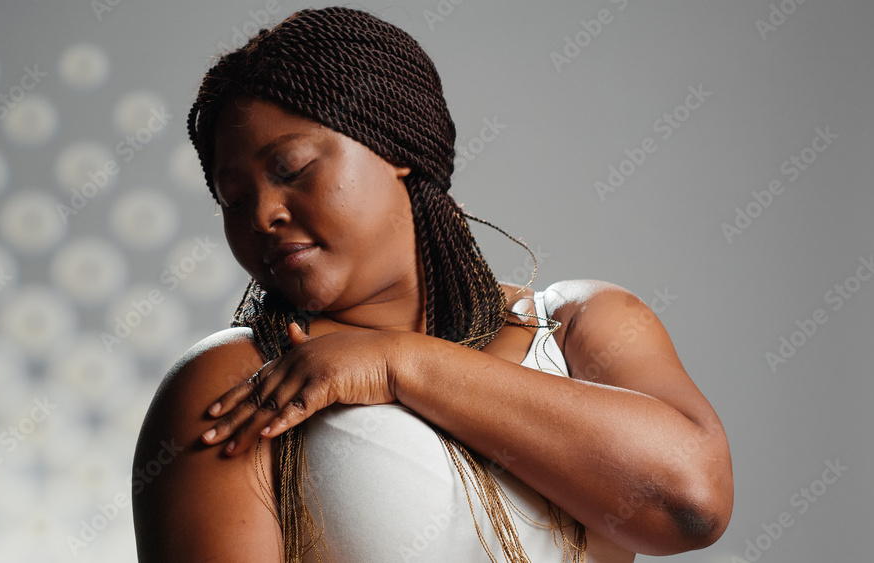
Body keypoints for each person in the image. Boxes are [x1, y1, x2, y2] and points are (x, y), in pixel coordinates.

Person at [132, 6, 733, 562]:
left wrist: (401, 364)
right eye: (234, 198)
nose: (262, 214)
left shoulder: (577, 327)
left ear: (394, 145)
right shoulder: (239, 384)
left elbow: (691, 505)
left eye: (291, 170)